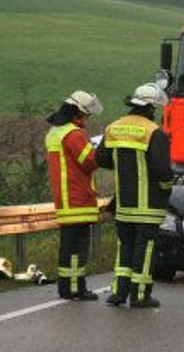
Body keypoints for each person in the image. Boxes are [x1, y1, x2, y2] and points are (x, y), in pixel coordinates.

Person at [96, 83, 173, 308]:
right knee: (145, 249)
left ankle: (118, 294)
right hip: (148, 205)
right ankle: (140, 295)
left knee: (125, 248)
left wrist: (124, 165)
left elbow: (101, 159)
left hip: (124, 204)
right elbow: (162, 170)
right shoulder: (153, 131)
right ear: (150, 108)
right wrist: (167, 187)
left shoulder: (113, 128)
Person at [44, 90, 103, 300]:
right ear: (77, 114)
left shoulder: (55, 132)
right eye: (86, 116)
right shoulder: (74, 134)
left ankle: (65, 287)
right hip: (78, 198)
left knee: (67, 246)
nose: (86, 121)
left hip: (65, 198)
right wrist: (100, 148)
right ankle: (77, 288)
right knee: (78, 248)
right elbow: (90, 162)